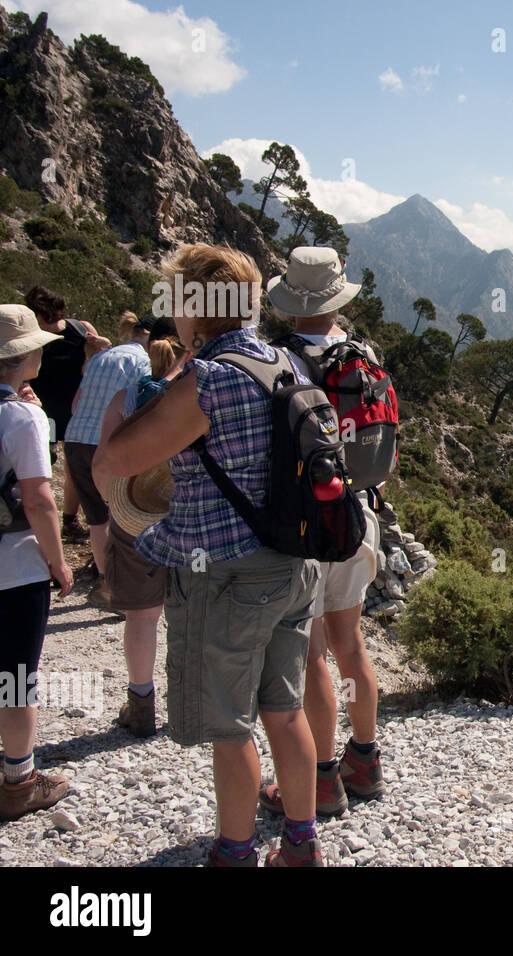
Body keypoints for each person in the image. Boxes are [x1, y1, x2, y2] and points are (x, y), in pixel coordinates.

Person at [96, 244, 324, 866]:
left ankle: (235, 851)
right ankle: (301, 844)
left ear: (196, 306)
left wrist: (142, 399)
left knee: (228, 726)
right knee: (284, 708)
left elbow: (116, 461)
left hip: (223, 574)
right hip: (291, 566)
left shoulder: (208, 381)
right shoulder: (284, 365)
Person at [257, 247, 386, 817]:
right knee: (351, 645)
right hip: (360, 515)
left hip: (310, 524)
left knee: (310, 657)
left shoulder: (278, 361)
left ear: (289, 303)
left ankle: (321, 779)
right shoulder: (364, 355)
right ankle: (365, 760)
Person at [93, 326, 186, 738]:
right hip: (189, 517)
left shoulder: (125, 398)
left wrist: (117, 506)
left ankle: (141, 705)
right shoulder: (203, 396)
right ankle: (189, 703)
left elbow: (103, 464)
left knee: (143, 617)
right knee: (189, 615)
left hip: (137, 515)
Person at [0, 304, 73, 821]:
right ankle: (19, 780)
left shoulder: (25, 410)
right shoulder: (22, 417)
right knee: (16, 677)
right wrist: (59, 561)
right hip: (16, 566)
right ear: (22, 355)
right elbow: (39, 500)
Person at [63, 314, 160, 608]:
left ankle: (106, 582)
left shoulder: (99, 358)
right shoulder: (142, 362)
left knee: (94, 516)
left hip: (75, 436)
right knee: (118, 514)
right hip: (106, 443)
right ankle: (121, 583)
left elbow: (76, 403)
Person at [25, 287, 110, 542]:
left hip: (73, 409)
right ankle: (38, 520)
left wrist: (100, 346)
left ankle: (69, 521)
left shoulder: (80, 330)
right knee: (42, 464)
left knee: (74, 468)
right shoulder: (34, 335)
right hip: (44, 411)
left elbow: (98, 362)